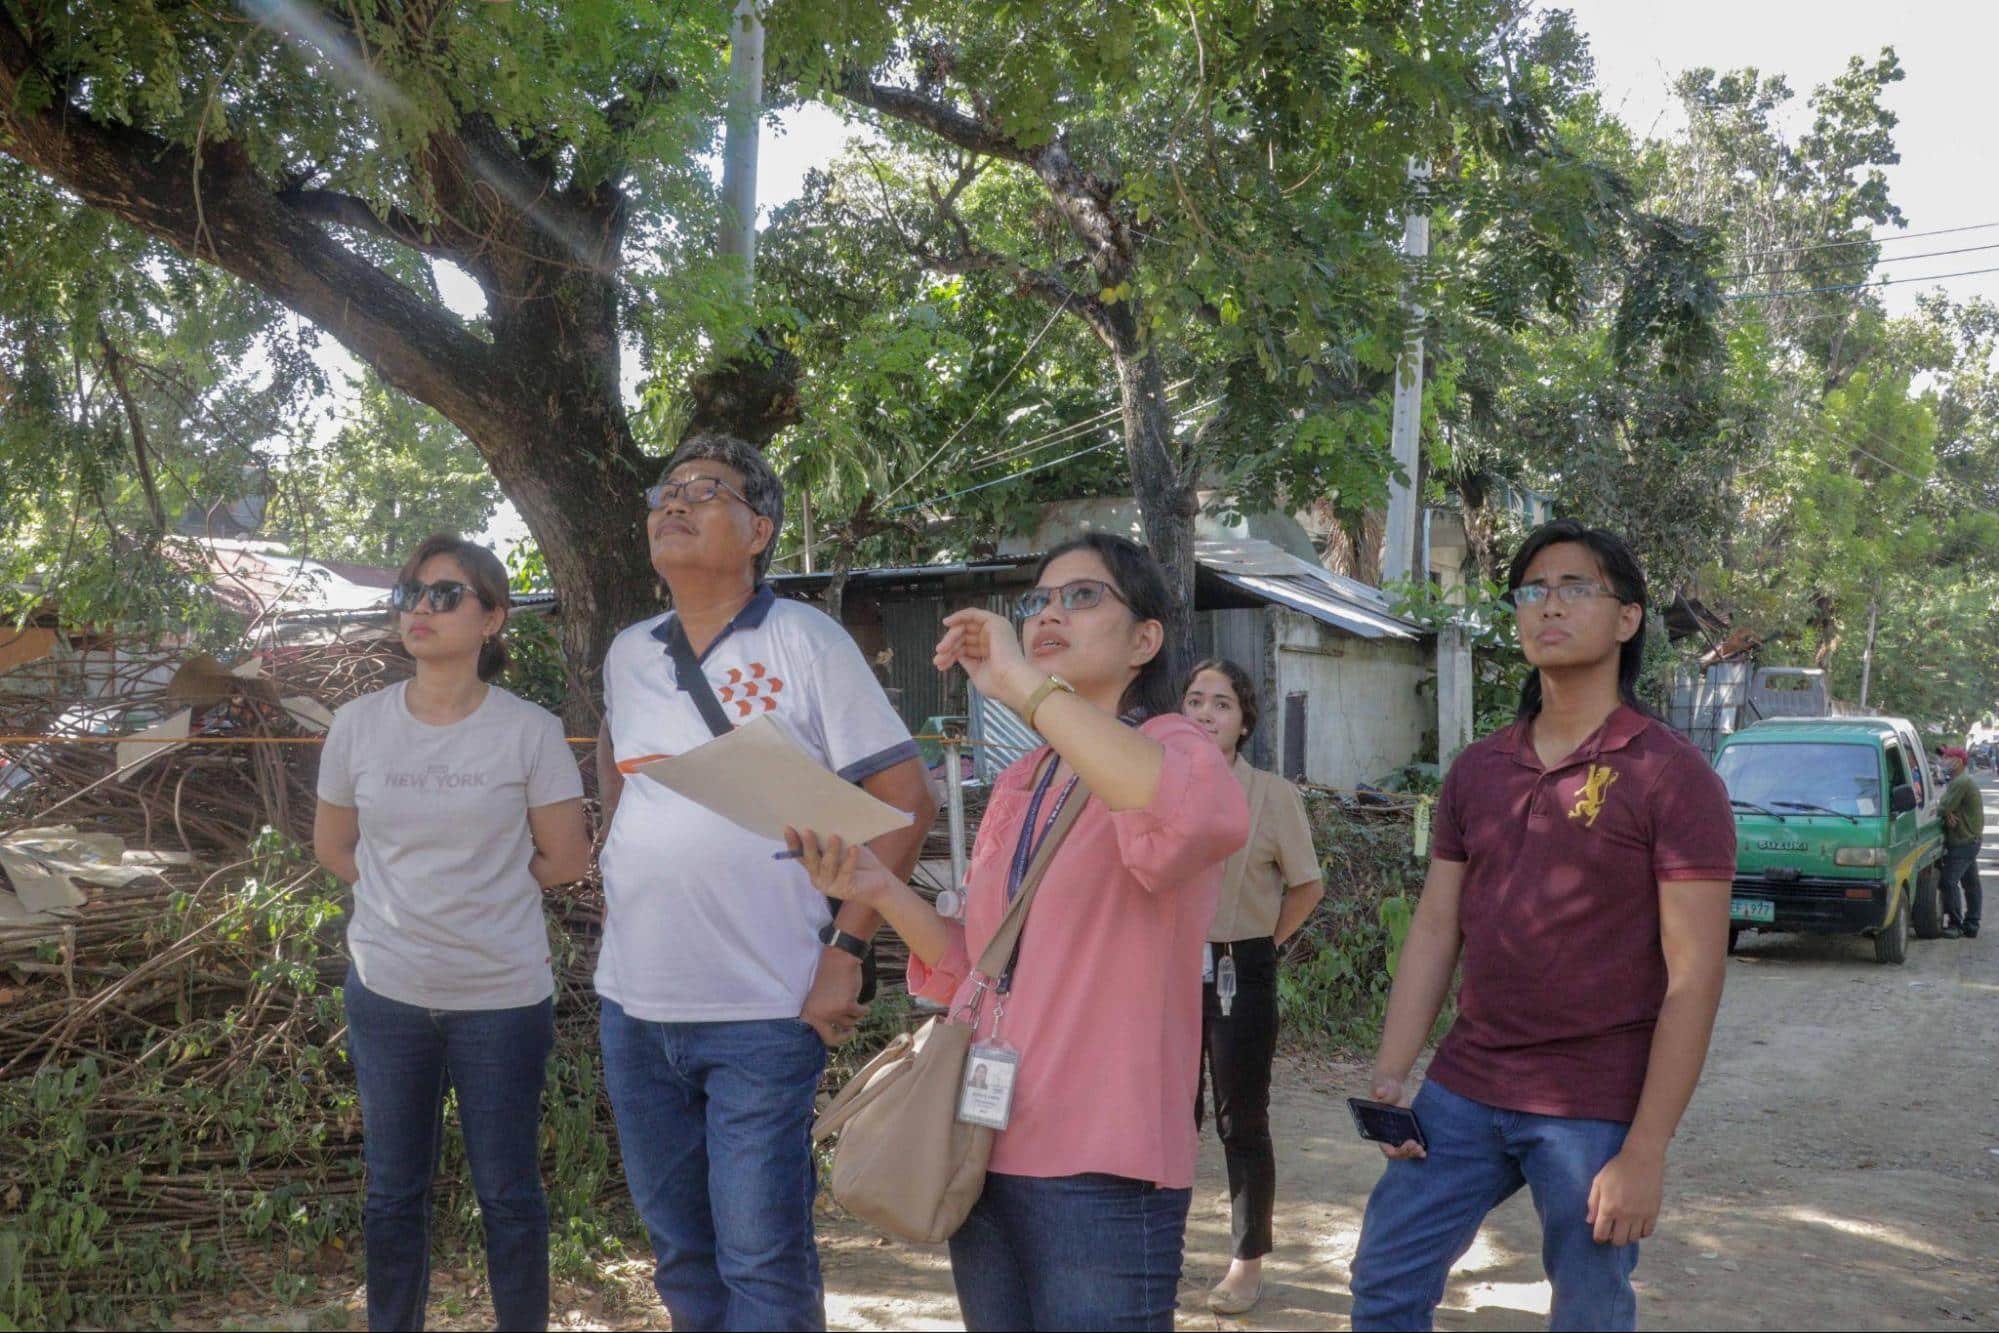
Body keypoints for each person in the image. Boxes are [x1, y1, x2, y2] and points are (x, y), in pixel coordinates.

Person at [789, 533, 1249, 1332]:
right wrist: (876, 887)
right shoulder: (1023, 777)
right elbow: (979, 964)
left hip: (1103, 1158)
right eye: (1037, 599)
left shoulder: (1176, 745)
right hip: (982, 1143)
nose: (1047, 613)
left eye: (1082, 596)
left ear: (1146, 639)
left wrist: (1023, 685)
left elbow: (1187, 817)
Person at [1348, 520, 1736, 1333]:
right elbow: (1434, 927)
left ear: (1626, 619)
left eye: (1573, 587)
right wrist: (1392, 1073)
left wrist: (1645, 1149)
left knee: (1587, 1312)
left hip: (1592, 1099)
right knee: (1384, 1276)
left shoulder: (1670, 775)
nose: (1547, 605)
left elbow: (1694, 975)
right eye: (1531, 589)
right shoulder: (1479, 767)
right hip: (1463, 1085)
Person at [593, 432, 936, 1332]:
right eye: (664, 491)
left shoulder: (805, 640)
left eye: (704, 491)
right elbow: (619, 768)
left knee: (759, 1254)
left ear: (759, 530)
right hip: (633, 1002)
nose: (673, 503)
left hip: (765, 1002)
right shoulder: (630, 650)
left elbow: (904, 800)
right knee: (680, 1251)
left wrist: (846, 951)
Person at [313, 534, 592, 1333]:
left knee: (509, 1193)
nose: (420, 609)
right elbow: (334, 848)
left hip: (501, 996)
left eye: (444, 594)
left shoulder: (529, 730)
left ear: (493, 618)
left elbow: (567, 857)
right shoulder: (357, 725)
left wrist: (482, 890)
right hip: (388, 991)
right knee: (391, 1191)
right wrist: (411, 899)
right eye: (410, 593)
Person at [1180, 658, 1325, 1316]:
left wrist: (1263, 943)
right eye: (1195, 700)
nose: (1206, 713)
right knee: (1162, 1112)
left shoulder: (1270, 795)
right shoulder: (1155, 785)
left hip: (1241, 966)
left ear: (1243, 724)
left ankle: (1246, 1259)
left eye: (1221, 704)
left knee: (1241, 1119)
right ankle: (1157, 1245)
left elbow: (1306, 884)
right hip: (1161, 967)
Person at [1936, 746, 1983, 939]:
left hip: (1964, 840)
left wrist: (1945, 810)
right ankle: (1972, 923)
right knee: (1971, 884)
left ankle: (1955, 924)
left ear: (1959, 761)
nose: (1944, 760)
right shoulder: (1960, 781)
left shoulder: (1961, 782)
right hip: (1970, 839)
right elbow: (1948, 808)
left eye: (1948, 757)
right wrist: (1948, 813)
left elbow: (1943, 805)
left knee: (1948, 881)